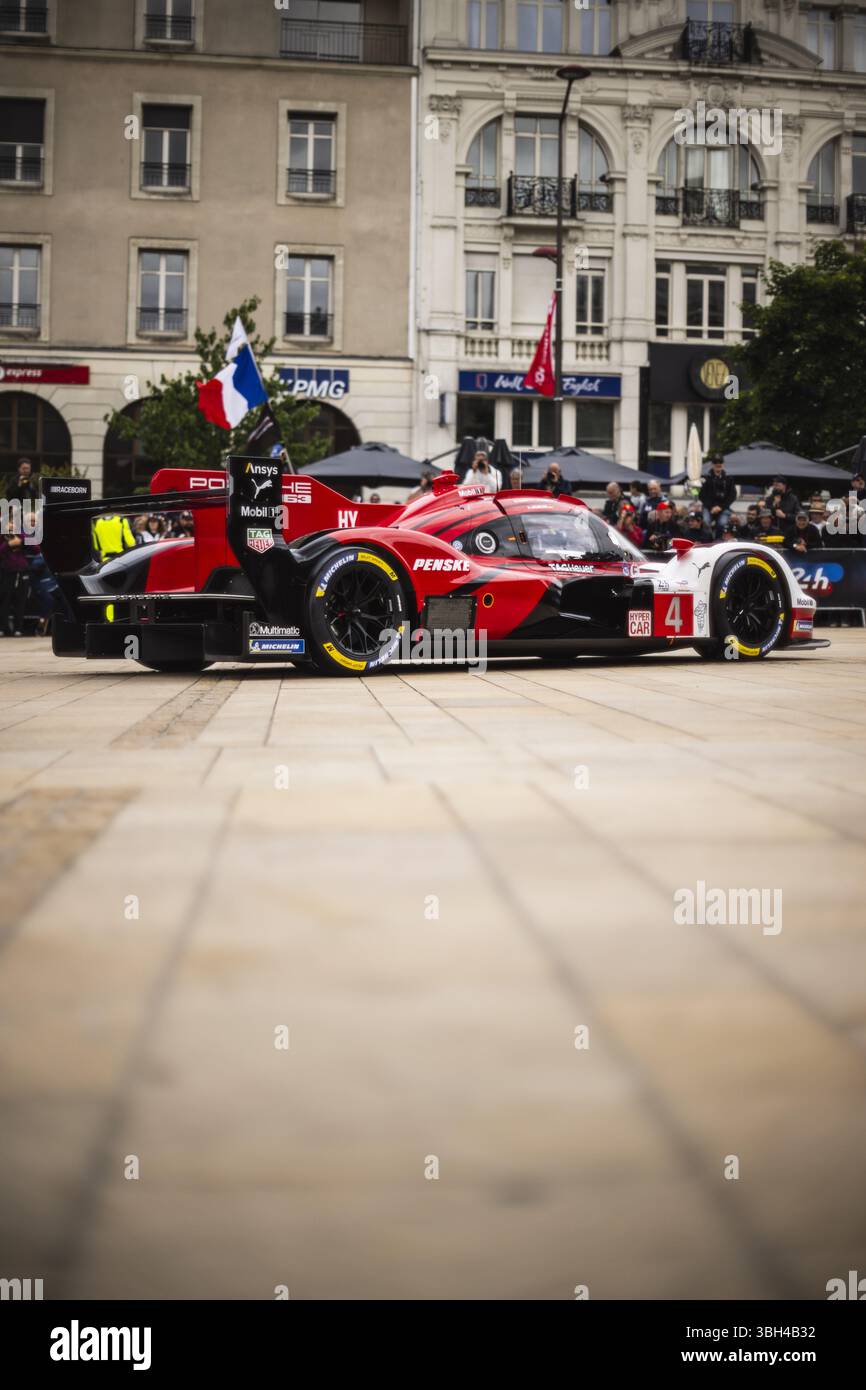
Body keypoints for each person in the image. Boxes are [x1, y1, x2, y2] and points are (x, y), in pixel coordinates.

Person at [0, 518, 29, 635]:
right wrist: (8, 544)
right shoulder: (2, 536)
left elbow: (36, 548)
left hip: (22, 571)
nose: (11, 525)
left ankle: (18, 628)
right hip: (6, 572)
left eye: (13, 522)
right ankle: (3, 628)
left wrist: (21, 541)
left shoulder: (21, 534)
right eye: (8, 522)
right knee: (4, 601)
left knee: (20, 601)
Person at [699, 452, 737, 537]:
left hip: (723, 507)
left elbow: (732, 495)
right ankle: (707, 542)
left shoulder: (729, 478)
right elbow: (701, 495)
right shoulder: (705, 478)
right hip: (709, 507)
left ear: (723, 464)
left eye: (720, 462)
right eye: (716, 462)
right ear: (712, 464)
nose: (718, 464)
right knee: (705, 522)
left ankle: (718, 542)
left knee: (722, 523)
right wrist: (711, 507)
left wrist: (720, 507)